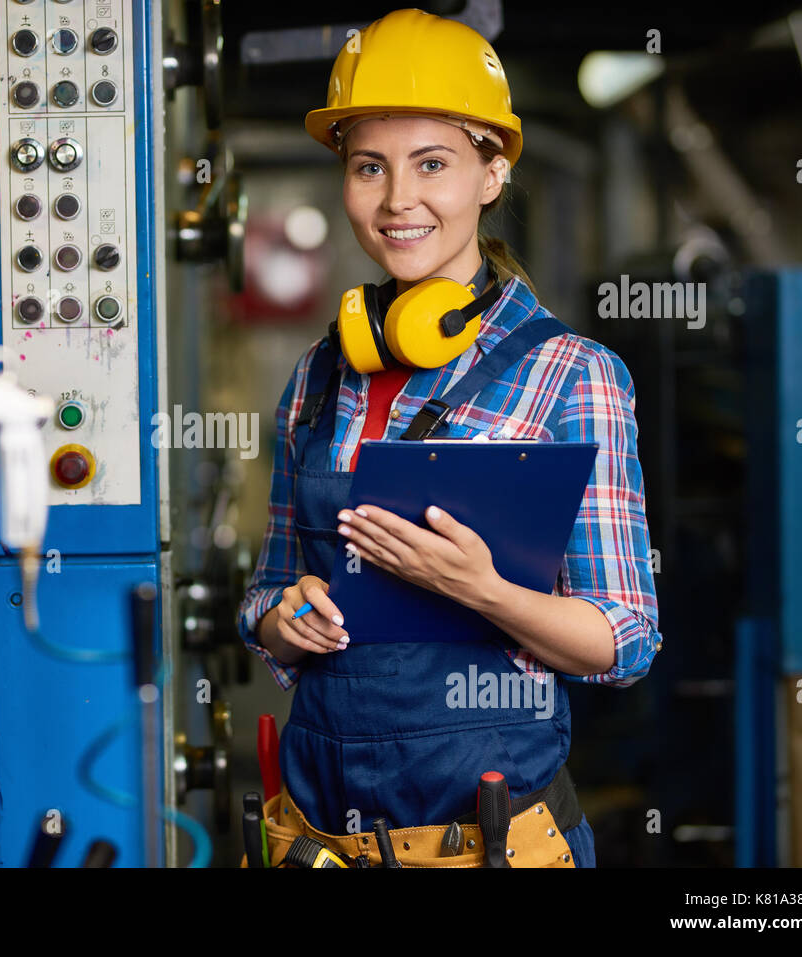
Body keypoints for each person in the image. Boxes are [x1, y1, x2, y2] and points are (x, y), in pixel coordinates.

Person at [235, 9, 663, 868]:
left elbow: (627, 638)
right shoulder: (318, 379)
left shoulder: (573, 375)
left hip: (490, 847)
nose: (399, 201)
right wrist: (283, 621)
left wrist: (482, 589)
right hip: (319, 843)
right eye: (370, 167)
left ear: (492, 172)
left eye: (433, 164)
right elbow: (265, 595)